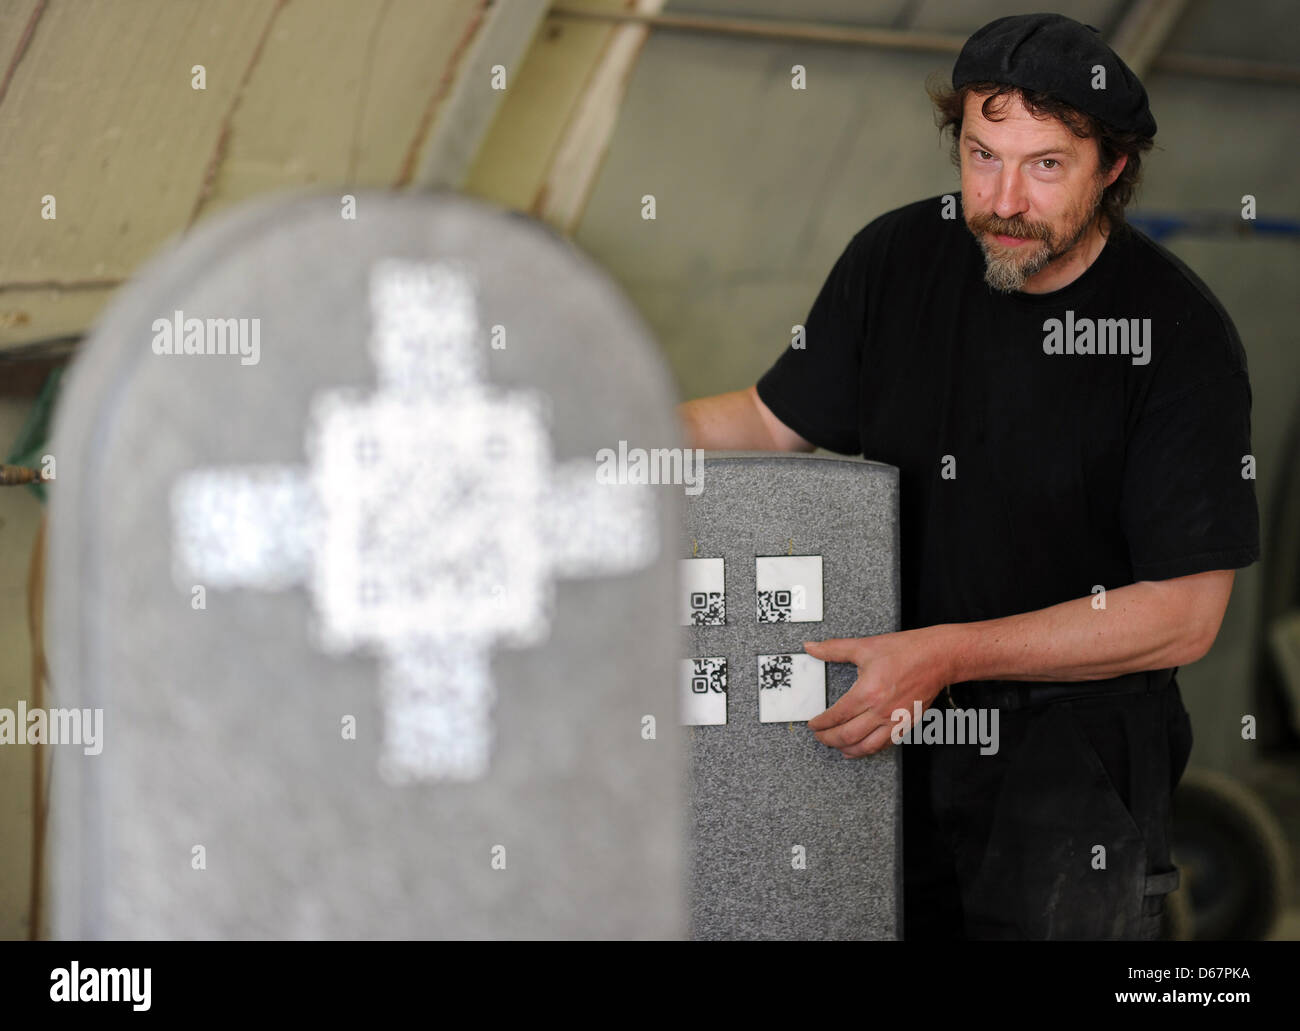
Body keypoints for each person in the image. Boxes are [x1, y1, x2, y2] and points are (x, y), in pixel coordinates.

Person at [678, 13, 1260, 940]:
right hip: (888, 733)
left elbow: (1184, 614)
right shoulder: (898, 258)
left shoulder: (1176, 336)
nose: (1003, 199)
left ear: (1111, 169)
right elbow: (767, 419)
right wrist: (607, 433)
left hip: (1072, 772)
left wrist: (948, 652)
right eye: (984, 155)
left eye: (1045, 166)